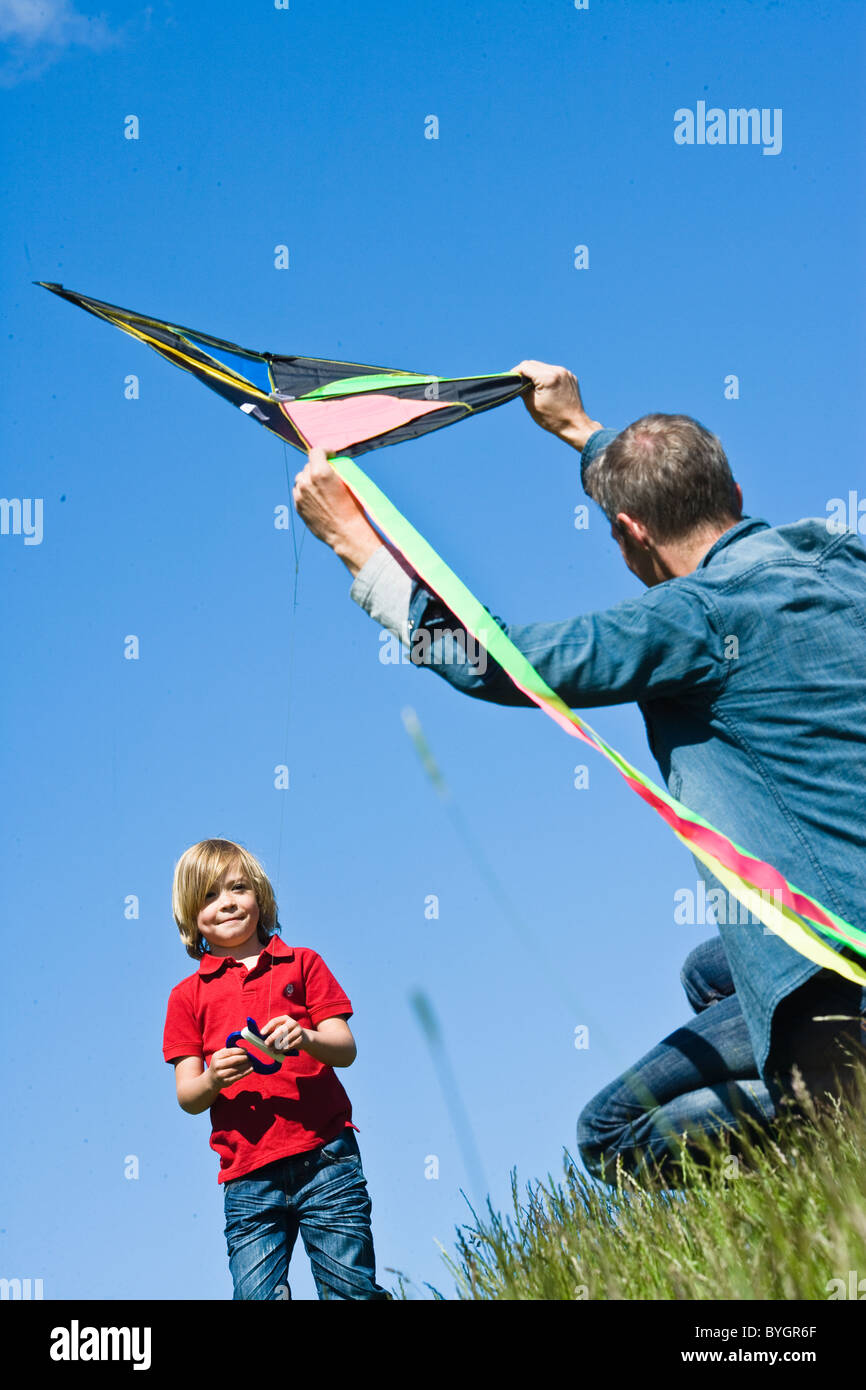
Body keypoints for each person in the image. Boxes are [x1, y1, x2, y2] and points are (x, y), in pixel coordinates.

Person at [291, 360, 866, 1184]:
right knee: (710, 970)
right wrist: (580, 429)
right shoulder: (839, 557)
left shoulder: (696, 618)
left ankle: (830, 1148)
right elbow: (672, 492)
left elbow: (508, 665)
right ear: (732, 491)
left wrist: (359, 549)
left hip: (840, 964)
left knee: (611, 1131)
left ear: (630, 535)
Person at [162, 837, 390, 1297]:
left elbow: (344, 1048)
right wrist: (212, 1078)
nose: (227, 903)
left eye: (238, 889)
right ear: (190, 915)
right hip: (248, 1178)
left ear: (260, 897)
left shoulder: (302, 964)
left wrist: (305, 1036)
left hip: (325, 1157)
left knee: (351, 1290)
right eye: (209, 895)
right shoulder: (186, 997)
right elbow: (188, 1095)